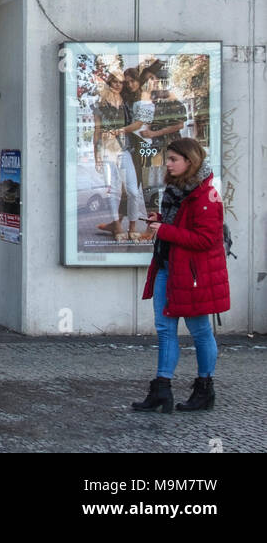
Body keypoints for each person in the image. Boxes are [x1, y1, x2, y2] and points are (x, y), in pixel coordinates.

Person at [131, 138, 229, 415]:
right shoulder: (175, 189)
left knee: (199, 330)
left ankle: (204, 388)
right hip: (167, 266)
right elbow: (180, 222)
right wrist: (160, 219)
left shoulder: (206, 195)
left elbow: (206, 239)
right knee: (164, 329)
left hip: (192, 274)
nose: (168, 163)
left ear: (190, 161)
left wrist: (165, 230)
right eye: (168, 158)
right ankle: (162, 389)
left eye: (174, 159)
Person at [92, 71, 142, 243]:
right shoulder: (100, 105)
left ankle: (133, 226)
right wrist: (96, 154)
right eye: (114, 81)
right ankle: (117, 226)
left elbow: (136, 124)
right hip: (107, 150)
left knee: (133, 191)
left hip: (124, 149)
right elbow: (97, 130)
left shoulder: (126, 104)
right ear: (109, 83)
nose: (118, 85)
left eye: (121, 82)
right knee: (113, 191)